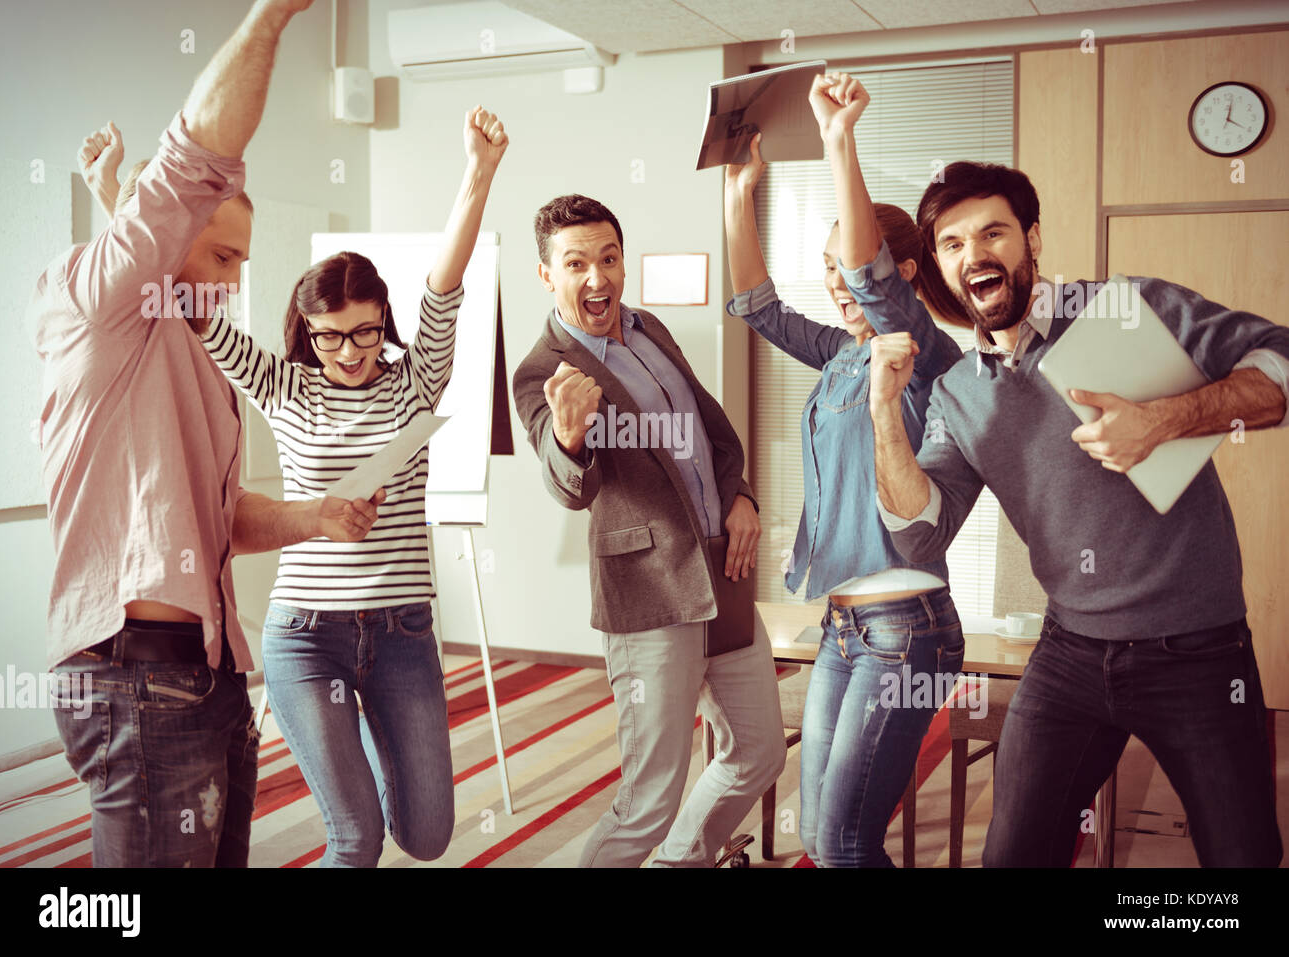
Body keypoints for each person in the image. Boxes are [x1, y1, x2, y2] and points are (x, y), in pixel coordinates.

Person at [84, 106, 509, 866]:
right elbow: (182, 294)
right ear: (305, 330)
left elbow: (445, 286)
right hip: (308, 637)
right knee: (357, 838)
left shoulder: (417, 383)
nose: (348, 350)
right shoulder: (284, 387)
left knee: (428, 833)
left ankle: (373, 743)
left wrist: (478, 174)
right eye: (330, 334)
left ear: (386, 323)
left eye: (366, 330)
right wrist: (114, 190)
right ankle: (349, 771)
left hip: (404, 632)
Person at [34, 0, 385, 868]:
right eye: (223, 258)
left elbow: (219, 517)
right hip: (139, 679)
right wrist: (273, 16)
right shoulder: (97, 301)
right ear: (167, 235)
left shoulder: (191, 354)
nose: (232, 284)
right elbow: (192, 157)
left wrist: (317, 516)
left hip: (209, 674)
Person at [866, 159, 1288, 867]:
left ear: (1031, 240)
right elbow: (920, 531)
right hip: (1070, 651)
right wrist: (884, 413)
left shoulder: (1125, 309)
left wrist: (1166, 419)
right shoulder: (959, 392)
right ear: (939, 265)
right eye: (953, 243)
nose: (975, 255)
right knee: (1014, 855)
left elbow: (1280, 365)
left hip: (1199, 650)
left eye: (993, 233)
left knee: (1242, 858)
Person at [723, 73, 970, 867]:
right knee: (823, 836)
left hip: (911, 634)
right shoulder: (840, 357)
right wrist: (739, 194)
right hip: (844, 627)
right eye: (827, 263)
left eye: (850, 263)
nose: (837, 278)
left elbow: (874, 283)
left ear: (899, 269)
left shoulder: (926, 352)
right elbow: (758, 306)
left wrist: (840, 141)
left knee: (844, 840)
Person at [513, 194, 786, 867]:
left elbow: (711, 435)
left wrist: (741, 494)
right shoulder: (542, 369)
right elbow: (565, 482)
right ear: (546, 273)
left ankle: (680, 859)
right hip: (651, 591)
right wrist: (572, 439)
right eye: (576, 263)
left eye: (608, 258)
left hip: (724, 567)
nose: (597, 278)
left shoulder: (650, 329)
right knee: (649, 798)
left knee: (759, 752)